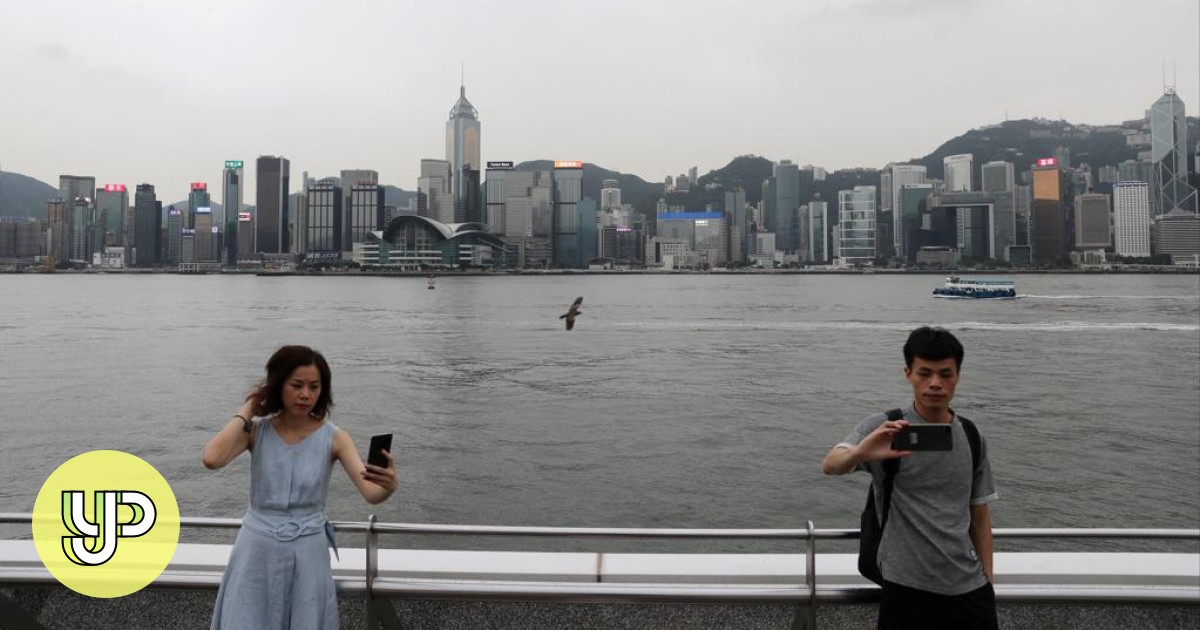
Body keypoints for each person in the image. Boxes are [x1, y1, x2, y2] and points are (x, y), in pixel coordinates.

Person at [202, 345, 397, 629]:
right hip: (256, 550)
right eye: (296, 385)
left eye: (314, 387)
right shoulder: (256, 432)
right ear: (278, 385)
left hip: (309, 550)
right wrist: (250, 407)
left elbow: (371, 493)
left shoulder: (335, 437)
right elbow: (211, 458)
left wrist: (389, 485)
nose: (306, 394)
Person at [821, 326, 998, 630]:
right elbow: (830, 465)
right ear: (908, 374)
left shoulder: (971, 435)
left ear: (958, 376)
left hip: (969, 588)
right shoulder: (885, 427)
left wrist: (988, 581)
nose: (935, 384)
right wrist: (861, 452)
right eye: (924, 373)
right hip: (906, 587)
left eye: (945, 374)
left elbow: (979, 514)